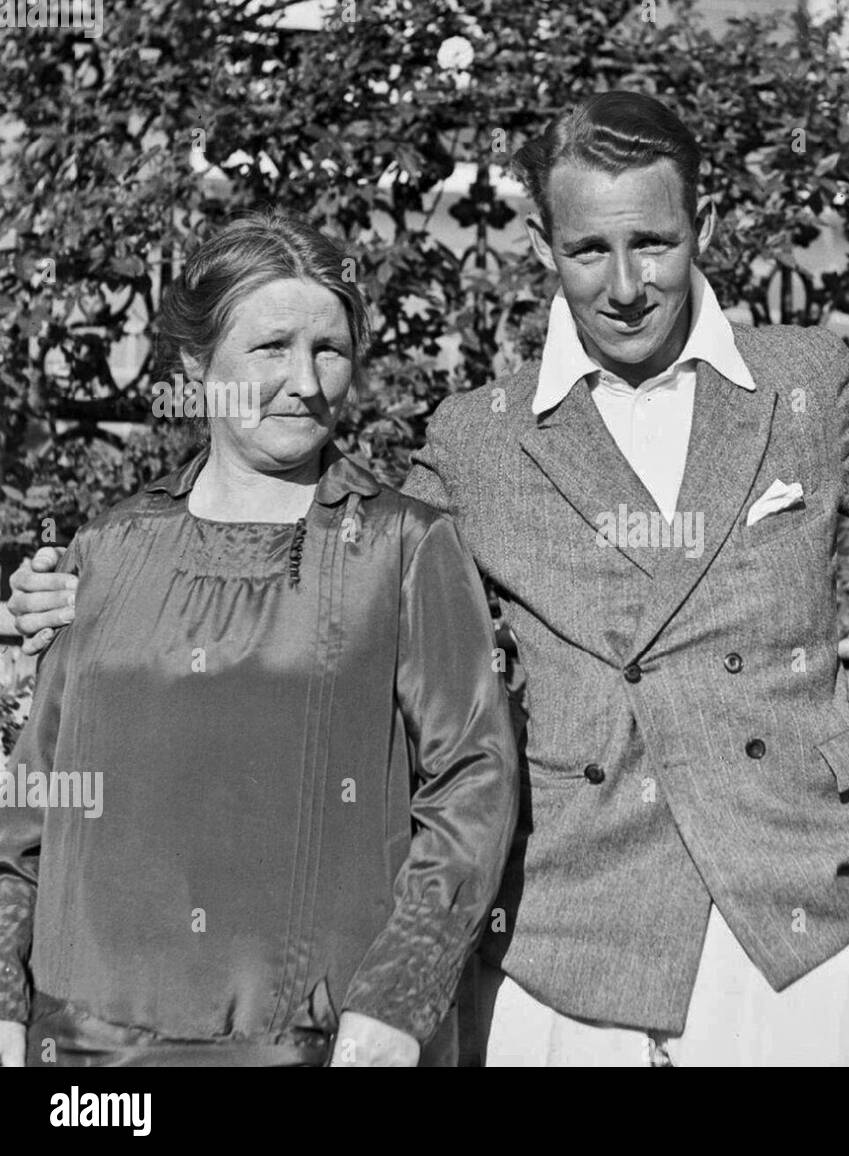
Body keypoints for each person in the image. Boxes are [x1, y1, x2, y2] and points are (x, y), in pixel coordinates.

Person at [7, 92, 849, 1067]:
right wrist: (115, 575)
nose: (624, 284)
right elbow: (325, 569)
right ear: (548, 248)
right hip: (569, 931)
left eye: (654, 243)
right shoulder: (476, 436)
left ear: (698, 230)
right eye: (588, 249)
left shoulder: (809, 382)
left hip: (793, 919)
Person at [0, 215, 518, 1067]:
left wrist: (397, 997)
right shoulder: (108, 551)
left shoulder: (402, 547)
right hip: (88, 1053)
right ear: (196, 364)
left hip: (314, 1045)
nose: (305, 381)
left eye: (330, 350)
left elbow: (474, 780)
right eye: (271, 347)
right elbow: (30, 809)